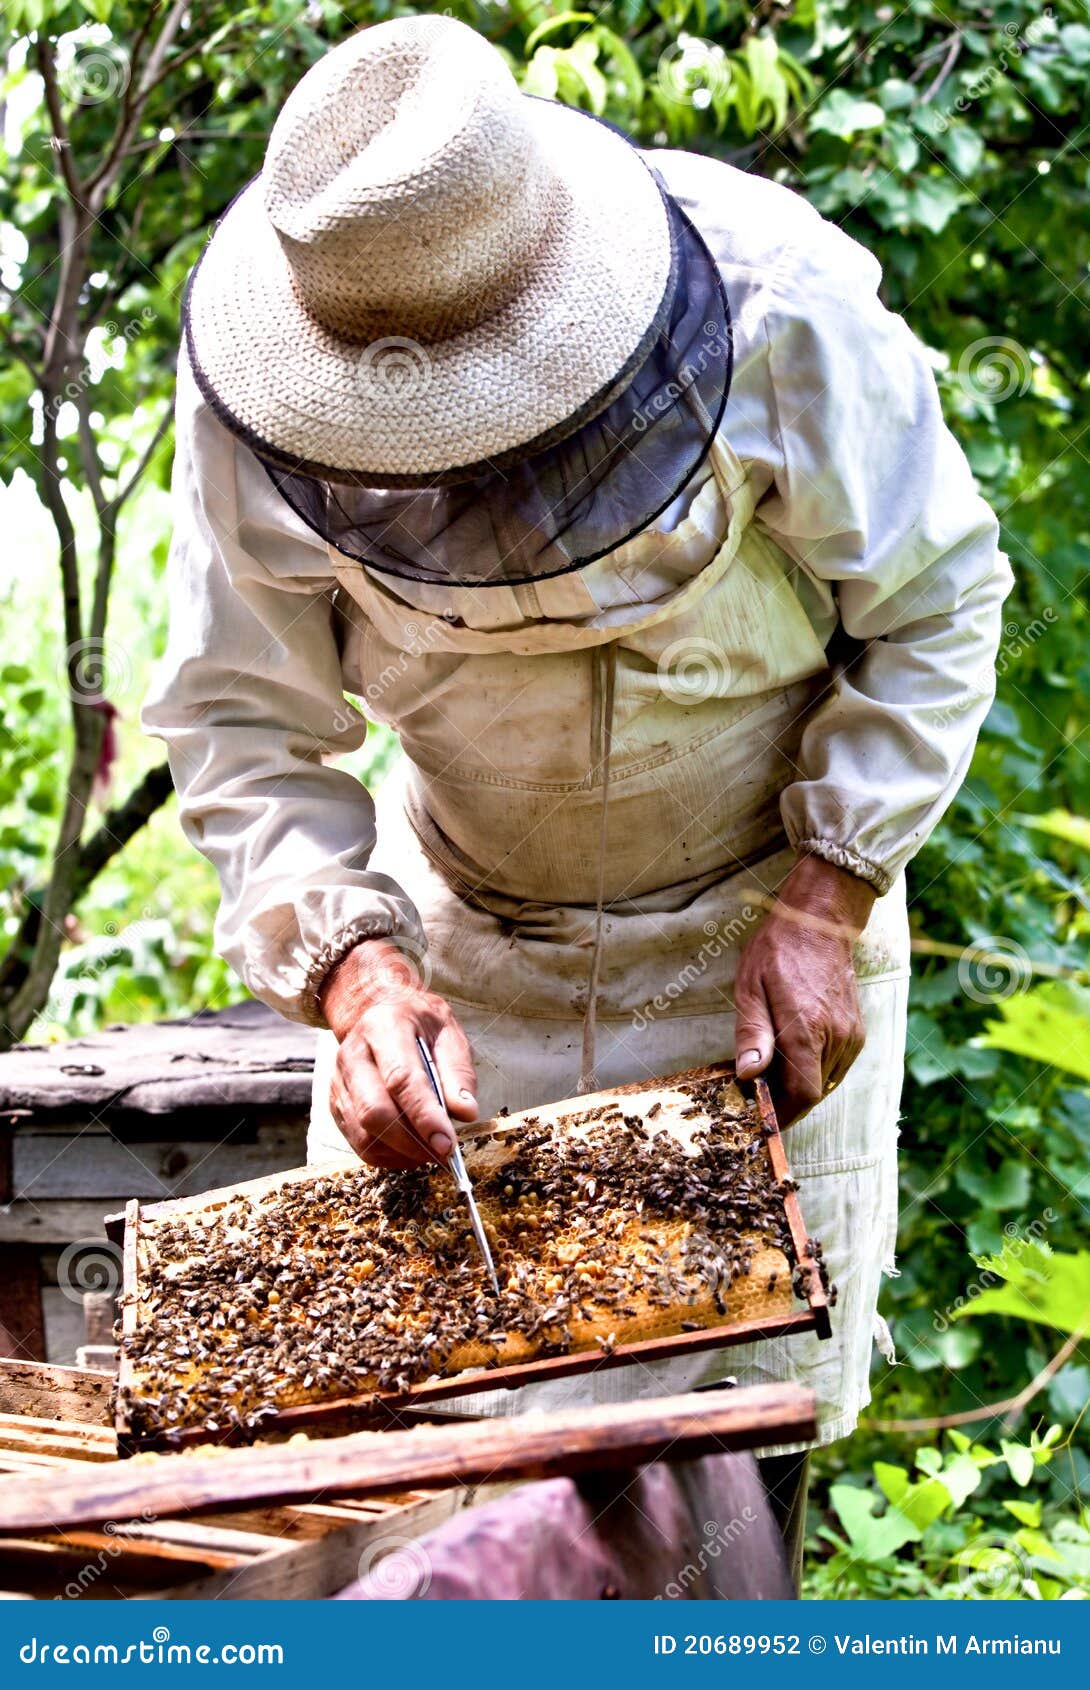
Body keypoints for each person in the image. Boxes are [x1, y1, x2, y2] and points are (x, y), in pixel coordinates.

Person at [143, 15, 1012, 1580]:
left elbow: (935, 604)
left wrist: (829, 889)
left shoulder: (778, 304)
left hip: (759, 962)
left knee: (712, 1497)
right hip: (461, 975)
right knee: (404, 1472)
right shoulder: (254, 405)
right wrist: (359, 974)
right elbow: (236, 719)